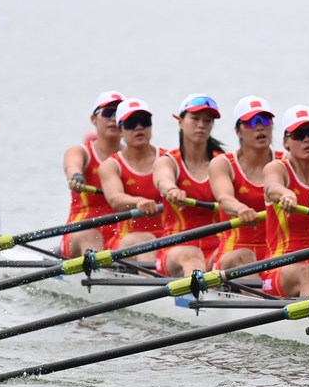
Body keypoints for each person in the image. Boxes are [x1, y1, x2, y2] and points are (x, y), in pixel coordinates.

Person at [262, 105, 309, 297]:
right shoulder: (277, 169)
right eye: (299, 134)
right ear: (286, 142)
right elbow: (272, 187)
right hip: (281, 266)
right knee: (308, 272)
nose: (307, 139)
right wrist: (285, 194)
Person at [152, 93, 225, 278]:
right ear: (180, 122)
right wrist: (172, 190)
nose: (201, 125)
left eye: (207, 121)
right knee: (191, 256)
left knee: (241, 256)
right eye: (195, 118)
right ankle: (199, 292)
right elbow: (163, 180)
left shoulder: (223, 163)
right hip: (176, 247)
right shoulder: (168, 161)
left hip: (218, 247)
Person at [209, 96, 281, 272]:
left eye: (265, 120)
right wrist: (241, 209)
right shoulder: (222, 164)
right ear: (238, 131)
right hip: (235, 251)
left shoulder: (285, 162)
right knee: (245, 256)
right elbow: (224, 198)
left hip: (278, 253)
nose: (260, 126)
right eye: (251, 122)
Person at [97, 98, 165, 264]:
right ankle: (154, 277)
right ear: (120, 130)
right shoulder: (111, 165)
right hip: (127, 238)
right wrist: (139, 202)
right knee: (145, 239)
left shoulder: (168, 159)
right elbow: (115, 199)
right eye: (131, 123)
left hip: (169, 236)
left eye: (144, 121)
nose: (139, 127)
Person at [60, 90, 125, 258]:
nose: (113, 118)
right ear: (93, 119)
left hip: (120, 235)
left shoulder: (132, 158)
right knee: (90, 235)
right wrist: (76, 176)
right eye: (108, 113)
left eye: (119, 113)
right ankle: (98, 270)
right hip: (82, 231)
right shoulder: (81, 152)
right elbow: (72, 165)